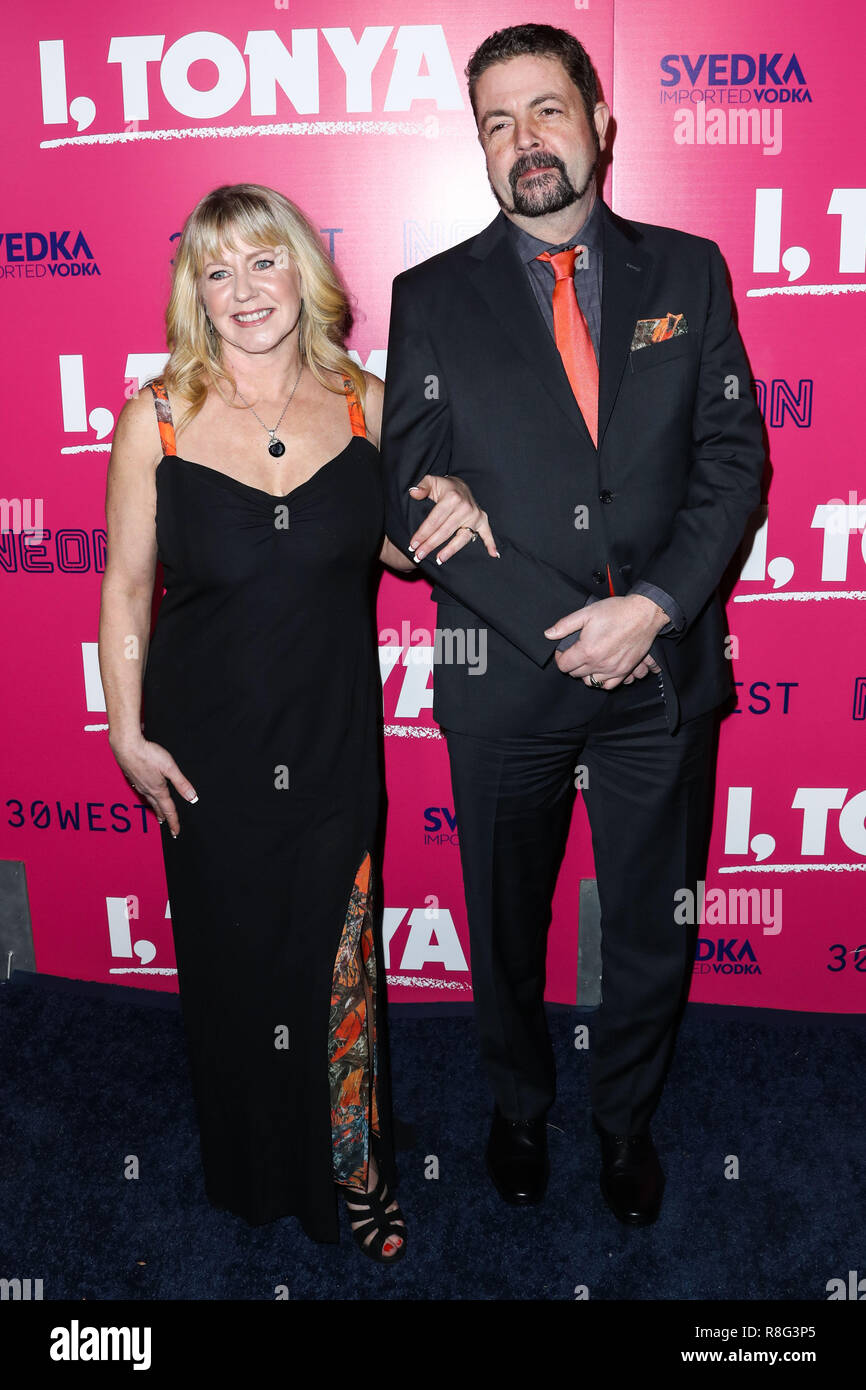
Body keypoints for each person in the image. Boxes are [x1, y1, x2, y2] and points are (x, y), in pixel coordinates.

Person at [380, 25, 765, 1225]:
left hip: (657, 673)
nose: (522, 142)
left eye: (544, 111)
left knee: (652, 925)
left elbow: (731, 460)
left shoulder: (688, 271)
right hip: (505, 679)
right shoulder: (428, 296)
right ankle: (515, 1107)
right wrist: (571, 625)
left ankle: (624, 1122)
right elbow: (409, 491)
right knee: (504, 926)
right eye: (496, 123)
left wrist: (647, 611)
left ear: (600, 123)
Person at [97, 183, 494, 1261]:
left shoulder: (363, 402)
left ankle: (355, 1171)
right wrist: (127, 735)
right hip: (202, 746)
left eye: (262, 262)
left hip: (325, 740)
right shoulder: (158, 414)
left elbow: (402, 549)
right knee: (234, 965)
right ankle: (255, 1160)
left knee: (338, 958)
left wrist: (449, 493)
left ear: (302, 273)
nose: (242, 290)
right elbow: (129, 588)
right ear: (194, 294)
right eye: (215, 271)